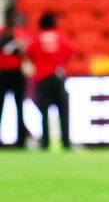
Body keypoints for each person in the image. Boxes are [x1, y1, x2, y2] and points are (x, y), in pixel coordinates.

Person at [26, 12, 76, 149]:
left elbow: (30, 53)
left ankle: (45, 142)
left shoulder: (37, 40)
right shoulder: (61, 38)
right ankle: (66, 142)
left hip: (42, 79)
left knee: (44, 113)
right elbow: (70, 51)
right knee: (63, 111)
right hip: (58, 77)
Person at [0, 8, 28, 148]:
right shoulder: (2, 32)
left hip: (16, 73)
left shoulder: (20, 33)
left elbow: (27, 50)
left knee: (19, 107)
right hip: (2, 72)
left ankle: (21, 140)